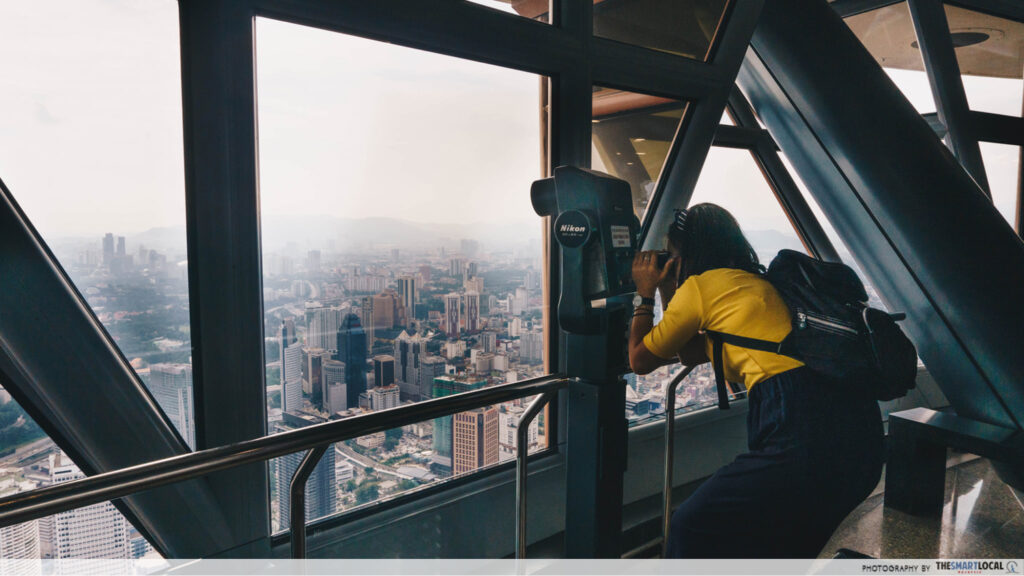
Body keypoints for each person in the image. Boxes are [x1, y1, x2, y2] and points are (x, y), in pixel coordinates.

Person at [629, 203, 884, 559]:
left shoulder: (702, 288)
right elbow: (690, 352)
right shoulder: (760, 284)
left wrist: (645, 293)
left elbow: (640, 359)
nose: (668, 262)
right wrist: (668, 288)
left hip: (798, 419)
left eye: (671, 255)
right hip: (859, 426)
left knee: (691, 522)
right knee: (790, 539)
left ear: (685, 254)